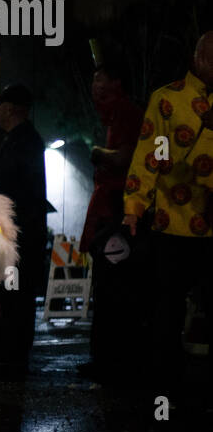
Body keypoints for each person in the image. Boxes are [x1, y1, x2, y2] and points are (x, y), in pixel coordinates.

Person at [122, 31, 213, 387]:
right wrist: (134, 206)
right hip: (173, 224)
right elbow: (151, 156)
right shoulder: (168, 100)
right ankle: (165, 390)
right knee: (168, 311)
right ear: (199, 59)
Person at [78, 60, 143, 382]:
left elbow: (125, 157)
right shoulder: (114, 115)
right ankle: (107, 359)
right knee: (107, 287)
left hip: (118, 210)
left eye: (100, 79)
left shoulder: (127, 114)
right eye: (93, 80)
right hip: (112, 208)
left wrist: (99, 153)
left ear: (116, 83)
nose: (94, 86)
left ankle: (114, 362)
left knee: (114, 287)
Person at [0, 84, 48, 370]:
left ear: (10, 109)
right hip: (18, 234)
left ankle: (13, 354)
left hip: (19, 237)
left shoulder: (23, 141)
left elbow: (12, 187)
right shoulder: (17, 139)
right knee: (12, 295)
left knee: (16, 295)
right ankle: (10, 351)